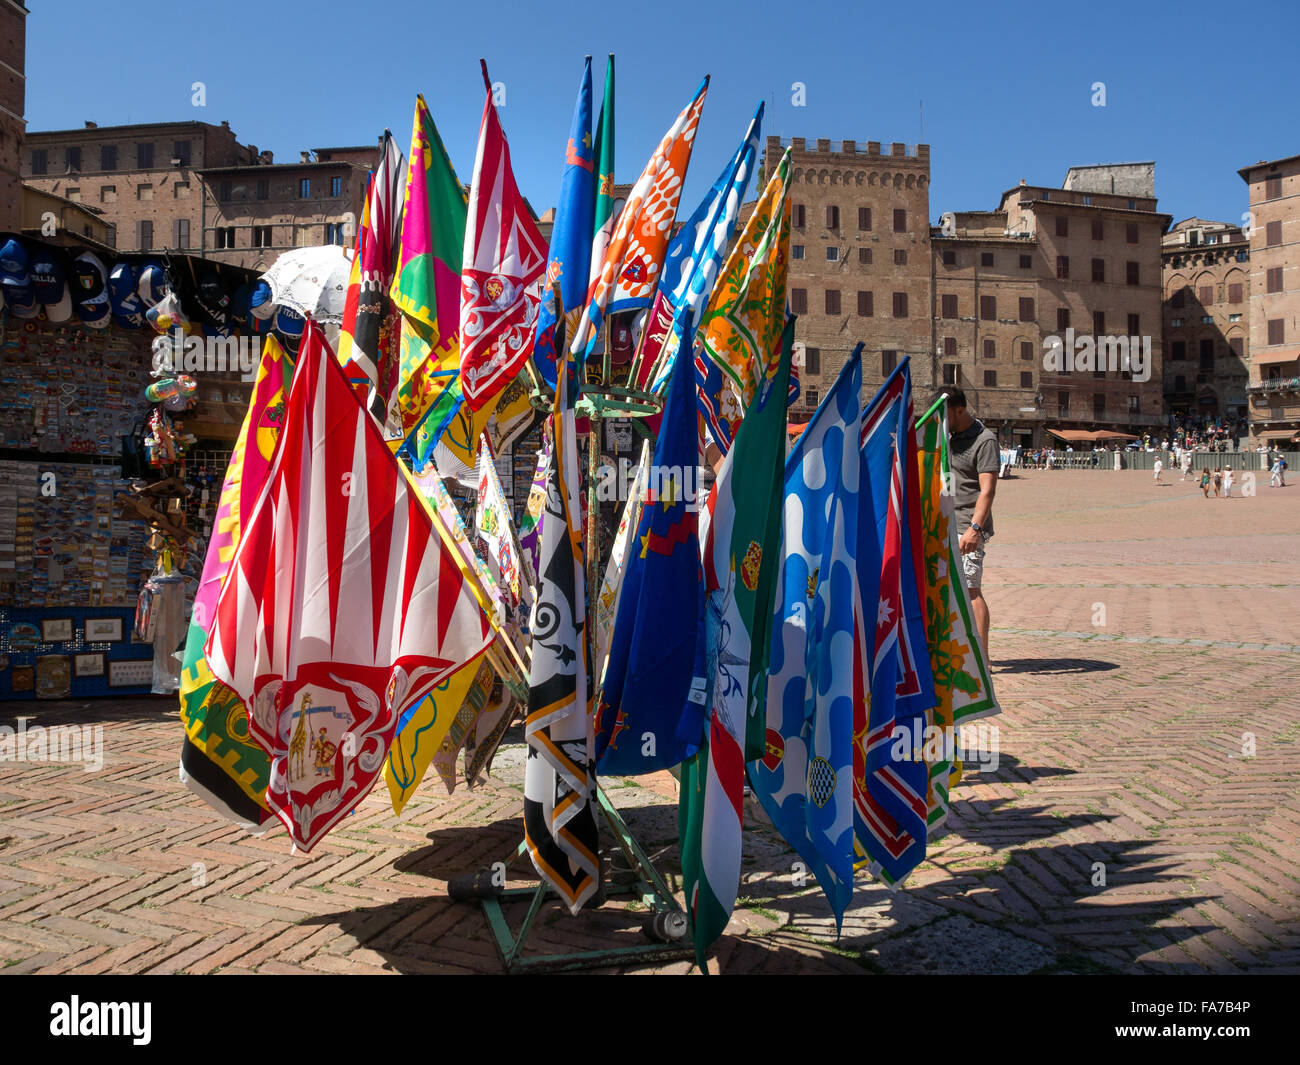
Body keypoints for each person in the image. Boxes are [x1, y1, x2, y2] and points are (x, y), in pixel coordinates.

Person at [943, 388, 998, 654]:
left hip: (967, 525)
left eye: (946, 415)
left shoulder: (985, 440)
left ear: (960, 410)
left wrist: (974, 529)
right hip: (944, 522)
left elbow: (987, 490)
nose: (943, 421)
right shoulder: (947, 437)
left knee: (970, 590)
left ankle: (982, 657)